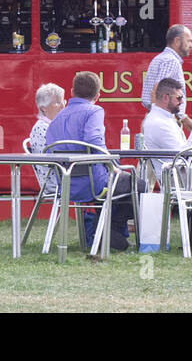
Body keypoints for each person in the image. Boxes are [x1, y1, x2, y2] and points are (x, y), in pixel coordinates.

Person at [44, 71, 134, 250]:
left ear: (71, 92)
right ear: (98, 96)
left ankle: (105, 233)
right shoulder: (94, 110)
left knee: (118, 184)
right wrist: (112, 165)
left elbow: (48, 149)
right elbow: (93, 139)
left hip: (65, 186)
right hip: (93, 185)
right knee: (136, 183)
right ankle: (110, 233)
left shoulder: (55, 119)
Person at [141, 76, 192, 183]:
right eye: (179, 98)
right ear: (166, 97)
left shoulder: (163, 118)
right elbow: (183, 155)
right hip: (177, 178)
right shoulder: (159, 123)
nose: (182, 102)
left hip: (180, 174)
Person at [141, 24, 192, 109]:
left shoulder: (160, 58)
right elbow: (158, 92)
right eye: (188, 41)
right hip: (163, 117)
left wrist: (190, 122)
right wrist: (157, 115)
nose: (191, 45)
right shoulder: (171, 61)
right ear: (177, 41)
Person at [28, 82, 66, 195]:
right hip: (59, 182)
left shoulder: (54, 127)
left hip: (66, 178)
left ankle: (101, 212)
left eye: (63, 101)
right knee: (112, 182)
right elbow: (60, 157)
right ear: (44, 108)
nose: (63, 106)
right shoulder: (42, 129)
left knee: (111, 183)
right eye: (57, 102)